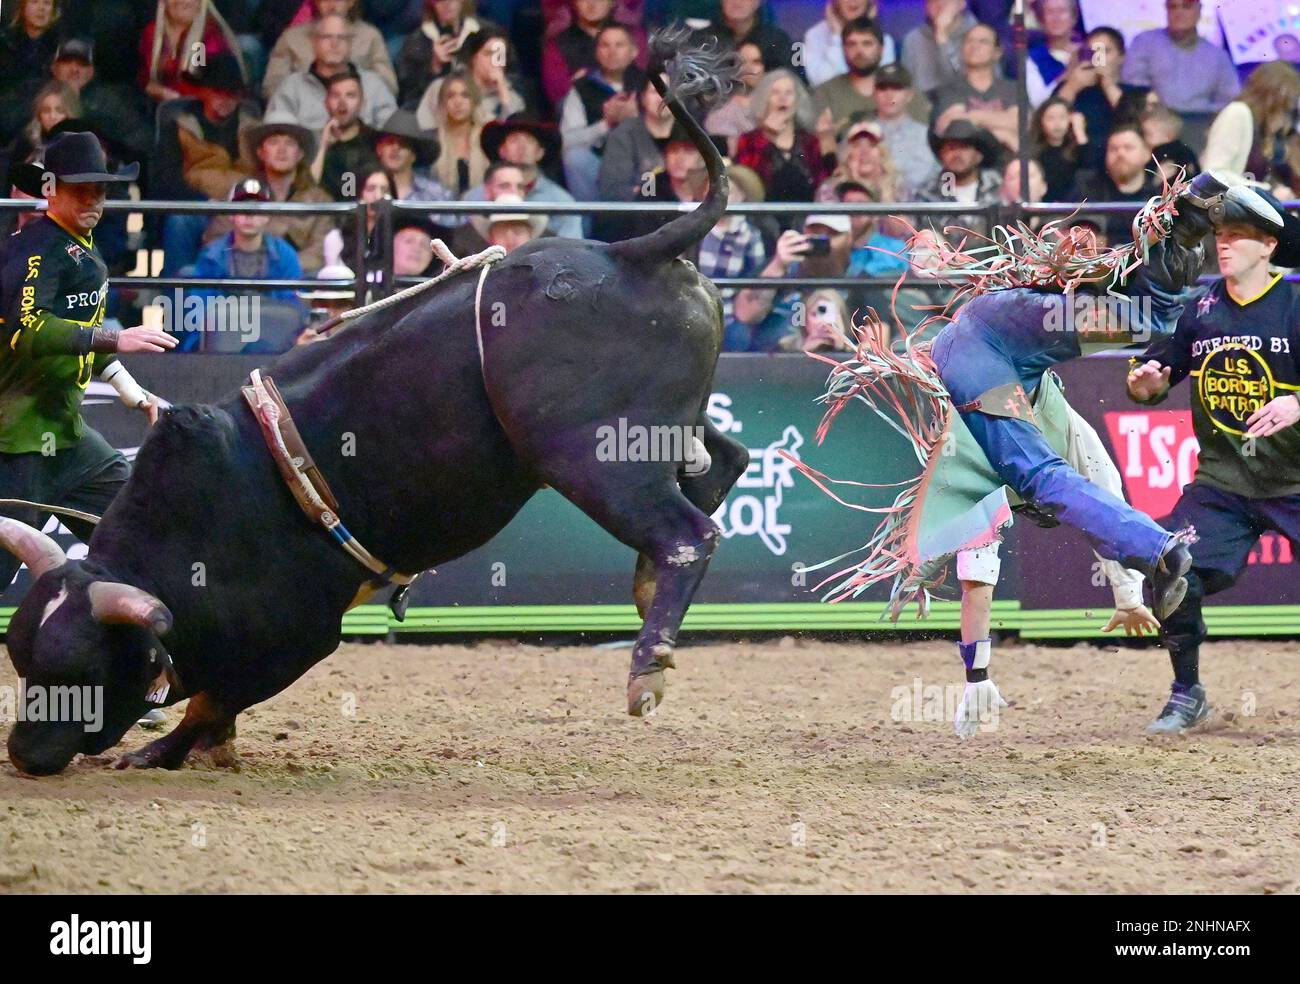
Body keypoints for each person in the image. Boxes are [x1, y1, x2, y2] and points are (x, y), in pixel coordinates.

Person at [1126, 189, 1300, 733]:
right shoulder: (1199, 311)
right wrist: (1146, 383)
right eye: (1219, 237)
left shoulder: (1295, 305)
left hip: (1295, 481)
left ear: (1269, 244)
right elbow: (1152, 379)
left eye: (1237, 237)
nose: (1222, 246)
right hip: (1222, 484)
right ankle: (1186, 692)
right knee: (1172, 565)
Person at [0, 132, 175, 593]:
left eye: (100, 189)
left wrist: (134, 394)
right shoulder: (35, 249)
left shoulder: (81, 248)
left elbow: (78, 340)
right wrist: (116, 339)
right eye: (81, 188)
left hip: (63, 434)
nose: (93, 199)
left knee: (135, 535)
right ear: (50, 189)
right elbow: (29, 330)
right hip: (15, 441)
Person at [200, 111, 335, 275]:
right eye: (273, 142)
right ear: (261, 153)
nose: (281, 150)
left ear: (299, 154)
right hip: (243, 276)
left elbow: (321, 250)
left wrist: (281, 268)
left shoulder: (320, 200)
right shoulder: (239, 193)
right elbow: (214, 240)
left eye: (290, 143)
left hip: (300, 278)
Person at [186, 178, 306, 351]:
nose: (249, 215)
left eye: (257, 208)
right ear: (231, 214)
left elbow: (293, 311)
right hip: (222, 349)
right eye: (242, 207)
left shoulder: (285, 256)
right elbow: (199, 314)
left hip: (272, 346)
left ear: (267, 215)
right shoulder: (211, 257)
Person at [265, 13, 397, 131]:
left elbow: (393, 132)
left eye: (341, 38)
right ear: (314, 42)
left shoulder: (373, 85)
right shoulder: (292, 86)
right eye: (326, 37)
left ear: (350, 44)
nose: (334, 43)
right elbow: (275, 134)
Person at [560, 22, 644, 205]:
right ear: (597, 52)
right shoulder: (582, 88)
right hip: (599, 166)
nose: (612, 51)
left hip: (641, 165)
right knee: (575, 158)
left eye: (619, 45)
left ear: (634, 51)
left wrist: (638, 116)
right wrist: (607, 124)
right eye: (605, 45)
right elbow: (567, 141)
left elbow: (668, 130)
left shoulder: (649, 85)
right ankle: (591, 223)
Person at [735, 69, 835, 211]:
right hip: (763, 217)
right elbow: (747, 183)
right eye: (775, 93)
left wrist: (827, 142)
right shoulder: (749, 140)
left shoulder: (810, 141)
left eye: (788, 93)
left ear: (797, 100)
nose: (782, 98)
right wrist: (768, 137)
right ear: (765, 98)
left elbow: (824, 183)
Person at [1120, 0, 1238, 116]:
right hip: (1153, 122)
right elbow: (1134, 89)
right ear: (1166, 9)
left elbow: (1229, 100)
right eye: (1173, 6)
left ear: (1199, 9)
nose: (1179, 12)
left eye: (1186, 6)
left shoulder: (1218, 56)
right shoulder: (1144, 43)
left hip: (1201, 124)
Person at [471, 114, 580, 238]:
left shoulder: (561, 202)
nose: (521, 147)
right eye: (514, 140)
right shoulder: (475, 198)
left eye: (529, 140)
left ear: (540, 153)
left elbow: (571, 251)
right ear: (502, 151)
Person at [262, 0, 397, 100]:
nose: (332, 4)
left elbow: (388, 85)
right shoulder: (291, 37)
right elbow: (273, 85)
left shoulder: (370, 36)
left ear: (351, 2)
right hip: (304, 119)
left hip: (359, 119)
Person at [1202, 61, 1300, 189]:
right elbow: (1214, 172)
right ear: (1270, 99)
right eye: (1284, 106)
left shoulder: (1269, 130)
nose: (1285, 114)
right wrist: (1265, 190)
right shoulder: (1237, 113)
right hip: (1229, 204)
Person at [542, 0, 649, 109]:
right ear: (574, 3)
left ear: (612, 3)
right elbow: (557, 95)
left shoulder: (633, 35)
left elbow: (646, 80)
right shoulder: (559, 43)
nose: (592, 4)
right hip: (582, 112)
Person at [930, 23, 1019, 153]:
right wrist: (1003, 135)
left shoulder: (1012, 88)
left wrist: (972, 117)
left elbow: (1020, 124)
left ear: (997, 52)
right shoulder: (949, 89)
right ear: (961, 49)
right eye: (969, 41)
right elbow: (954, 127)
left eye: (983, 41)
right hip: (966, 165)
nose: (974, 46)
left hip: (1008, 165)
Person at [139, 0, 245, 106]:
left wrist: (171, 95)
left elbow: (207, 93)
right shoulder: (152, 33)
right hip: (153, 109)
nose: (186, 1)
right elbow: (143, 77)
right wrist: (151, 88)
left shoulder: (207, 39)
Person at [415, 26, 526, 128]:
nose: (495, 61)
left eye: (500, 55)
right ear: (473, 58)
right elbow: (423, 130)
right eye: (488, 54)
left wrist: (505, 102)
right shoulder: (441, 87)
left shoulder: (514, 101)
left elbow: (512, 141)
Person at [1070, 123, 1161, 244]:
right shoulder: (1087, 191)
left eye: (1128, 148)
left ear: (1146, 153)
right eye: (1113, 149)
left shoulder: (1160, 197)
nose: (1120, 154)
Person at [396, 0, 490, 109]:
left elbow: (511, 74)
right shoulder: (417, 42)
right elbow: (410, 97)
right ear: (431, 4)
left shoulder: (487, 33)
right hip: (435, 112)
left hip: (483, 105)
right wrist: (434, 67)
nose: (447, 3)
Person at [310, 67, 381, 200]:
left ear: (362, 103)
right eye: (335, 95)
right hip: (324, 216)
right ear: (326, 103)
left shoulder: (376, 141)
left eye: (350, 95)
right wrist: (324, 146)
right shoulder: (312, 142)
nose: (342, 102)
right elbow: (308, 190)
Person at [870, 64, 938, 199]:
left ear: (909, 95)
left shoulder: (926, 136)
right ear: (874, 93)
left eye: (897, 88)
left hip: (918, 210)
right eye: (883, 88)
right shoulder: (861, 134)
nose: (889, 95)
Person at [803, 0, 896, 89]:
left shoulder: (885, 40)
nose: (853, 1)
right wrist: (837, 38)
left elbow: (881, 84)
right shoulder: (814, 35)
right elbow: (822, 83)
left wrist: (867, 30)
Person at [428, 69, 489, 196]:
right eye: (451, 96)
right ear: (443, 102)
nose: (458, 102)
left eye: (465, 95)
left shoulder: (488, 138)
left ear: (474, 101)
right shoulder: (431, 140)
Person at [901, 0, 978, 97]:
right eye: (933, 1)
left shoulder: (980, 37)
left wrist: (942, 38)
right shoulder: (913, 39)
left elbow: (965, 85)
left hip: (967, 105)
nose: (940, 5)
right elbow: (906, 88)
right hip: (923, 107)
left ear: (961, 4)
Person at [698, 0, 795, 74]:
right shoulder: (701, 40)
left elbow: (788, 81)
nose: (737, 1)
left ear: (757, 2)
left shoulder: (777, 40)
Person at [1024, 0, 1081, 108]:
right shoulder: (1032, 59)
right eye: (1050, 12)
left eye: (1062, 11)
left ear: (1074, 18)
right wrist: (1068, 74)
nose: (1056, 18)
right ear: (1041, 20)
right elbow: (1038, 104)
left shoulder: (1088, 50)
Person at [1031, 96, 1083, 202]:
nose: (1057, 123)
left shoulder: (1077, 150)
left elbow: (1089, 167)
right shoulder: (1035, 153)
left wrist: (1079, 131)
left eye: (1062, 117)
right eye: (1051, 118)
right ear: (1041, 122)